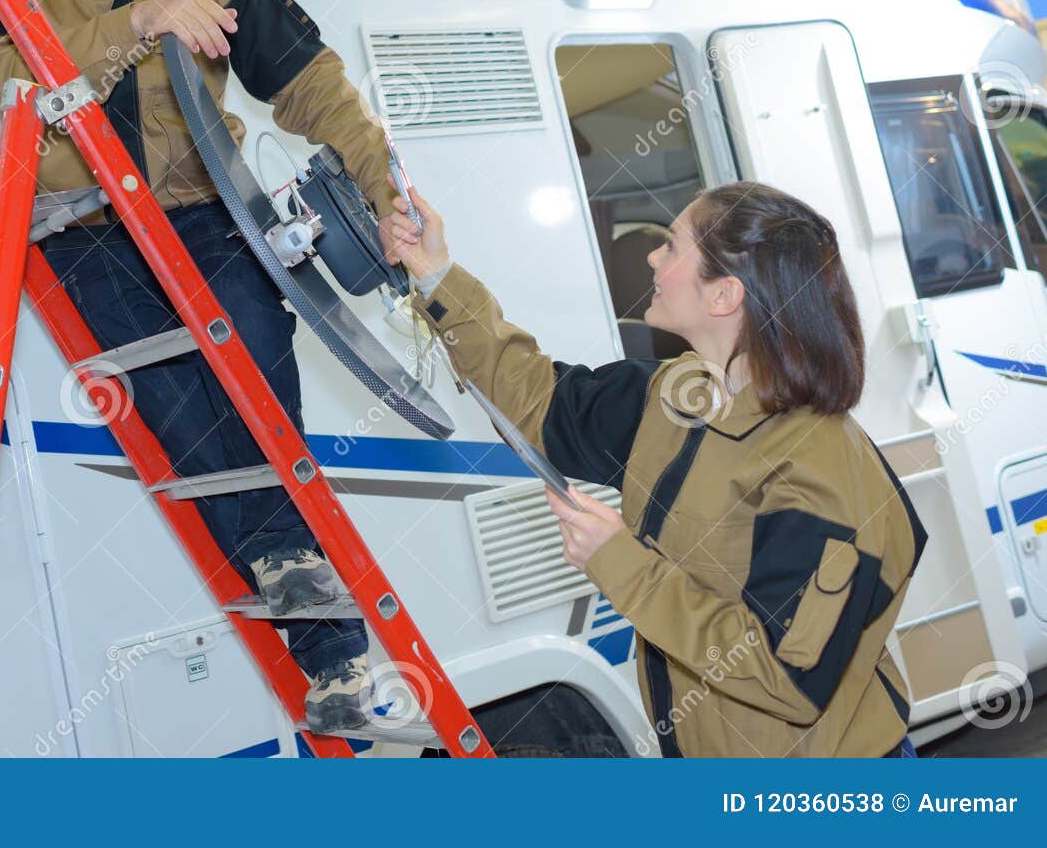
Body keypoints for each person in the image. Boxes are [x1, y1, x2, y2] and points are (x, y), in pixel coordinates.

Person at [0, 0, 398, 732]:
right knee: (184, 428)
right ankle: (311, 613)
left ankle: (331, 651)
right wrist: (143, 22)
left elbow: (309, 82)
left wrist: (385, 187)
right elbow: (18, 83)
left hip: (207, 217)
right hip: (90, 236)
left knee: (252, 368)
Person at [383, 179, 928, 757]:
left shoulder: (820, 462)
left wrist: (618, 558)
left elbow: (786, 676)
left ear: (723, 296)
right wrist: (436, 272)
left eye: (671, 246)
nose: (651, 256)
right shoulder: (674, 394)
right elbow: (537, 399)